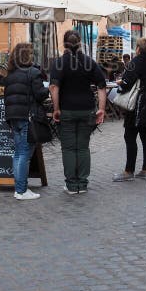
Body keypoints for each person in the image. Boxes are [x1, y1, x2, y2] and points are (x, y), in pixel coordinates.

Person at [50, 30, 107, 195]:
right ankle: (82, 184)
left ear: (64, 44)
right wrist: (101, 109)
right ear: (80, 43)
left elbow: (54, 87)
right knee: (82, 148)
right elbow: (101, 86)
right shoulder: (89, 62)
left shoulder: (59, 63)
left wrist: (56, 109)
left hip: (66, 109)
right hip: (86, 109)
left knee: (68, 148)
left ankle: (71, 185)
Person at [2, 43, 49, 200]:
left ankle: (19, 187)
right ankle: (21, 190)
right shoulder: (33, 72)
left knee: (18, 153)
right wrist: (48, 89)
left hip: (13, 117)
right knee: (24, 154)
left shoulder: (9, 75)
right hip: (27, 116)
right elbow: (40, 94)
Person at [113, 38, 146, 182]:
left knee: (130, 137)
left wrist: (120, 84)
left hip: (137, 106)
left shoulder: (135, 62)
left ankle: (129, 171)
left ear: (139, 49)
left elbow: (127, 83)